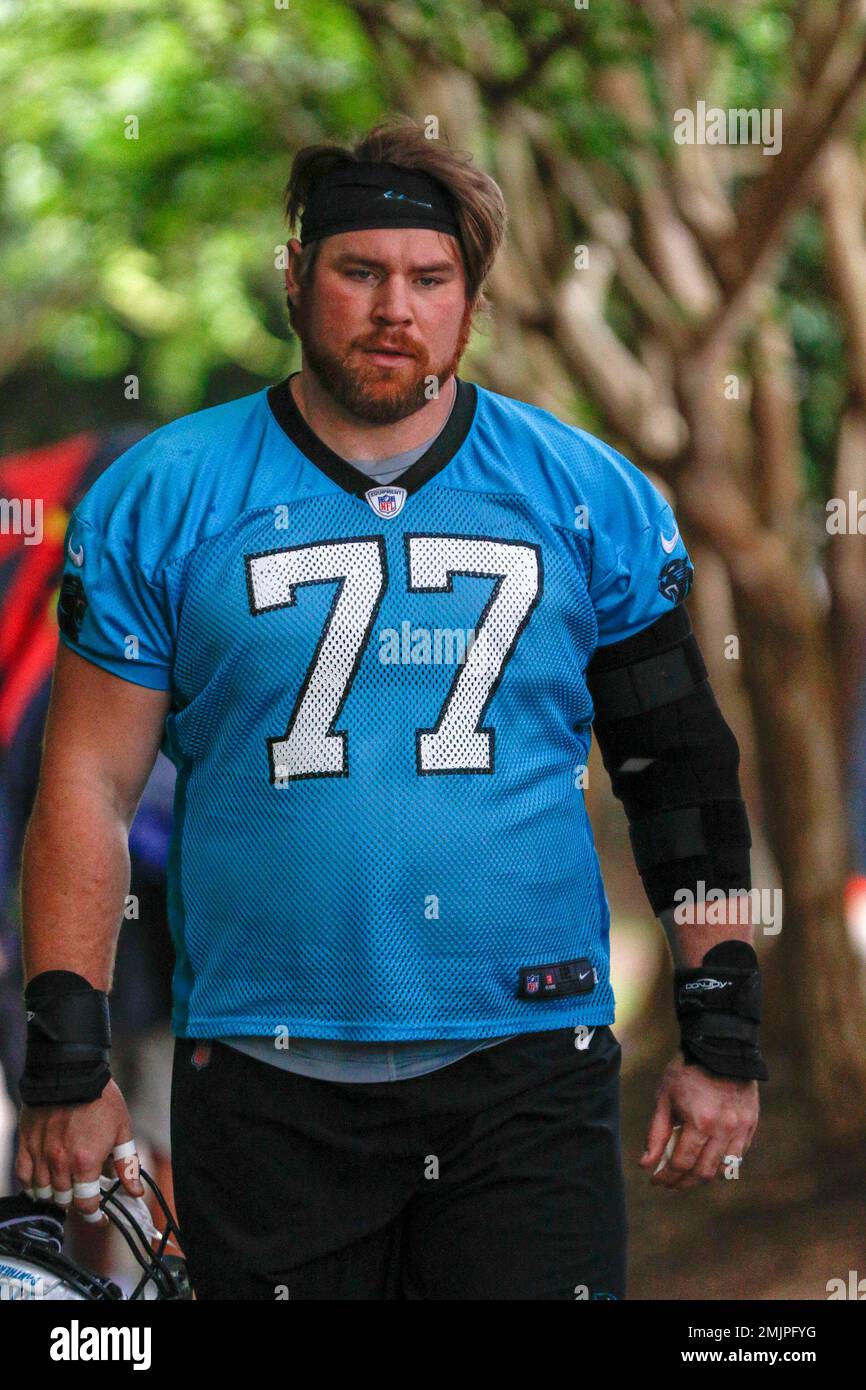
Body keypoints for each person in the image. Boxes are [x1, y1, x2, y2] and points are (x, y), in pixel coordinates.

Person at [15, 115, 766, 1300]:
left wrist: (721, 1031)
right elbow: (88, 785)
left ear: (471, 301)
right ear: (296, 280)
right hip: (263, 1074)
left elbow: (678, 777)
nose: (391, 309)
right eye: (358, 271)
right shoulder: (165, 493)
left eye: (428, 279)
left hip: (526, 1064)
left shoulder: (581, 492)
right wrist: (66, 1051)